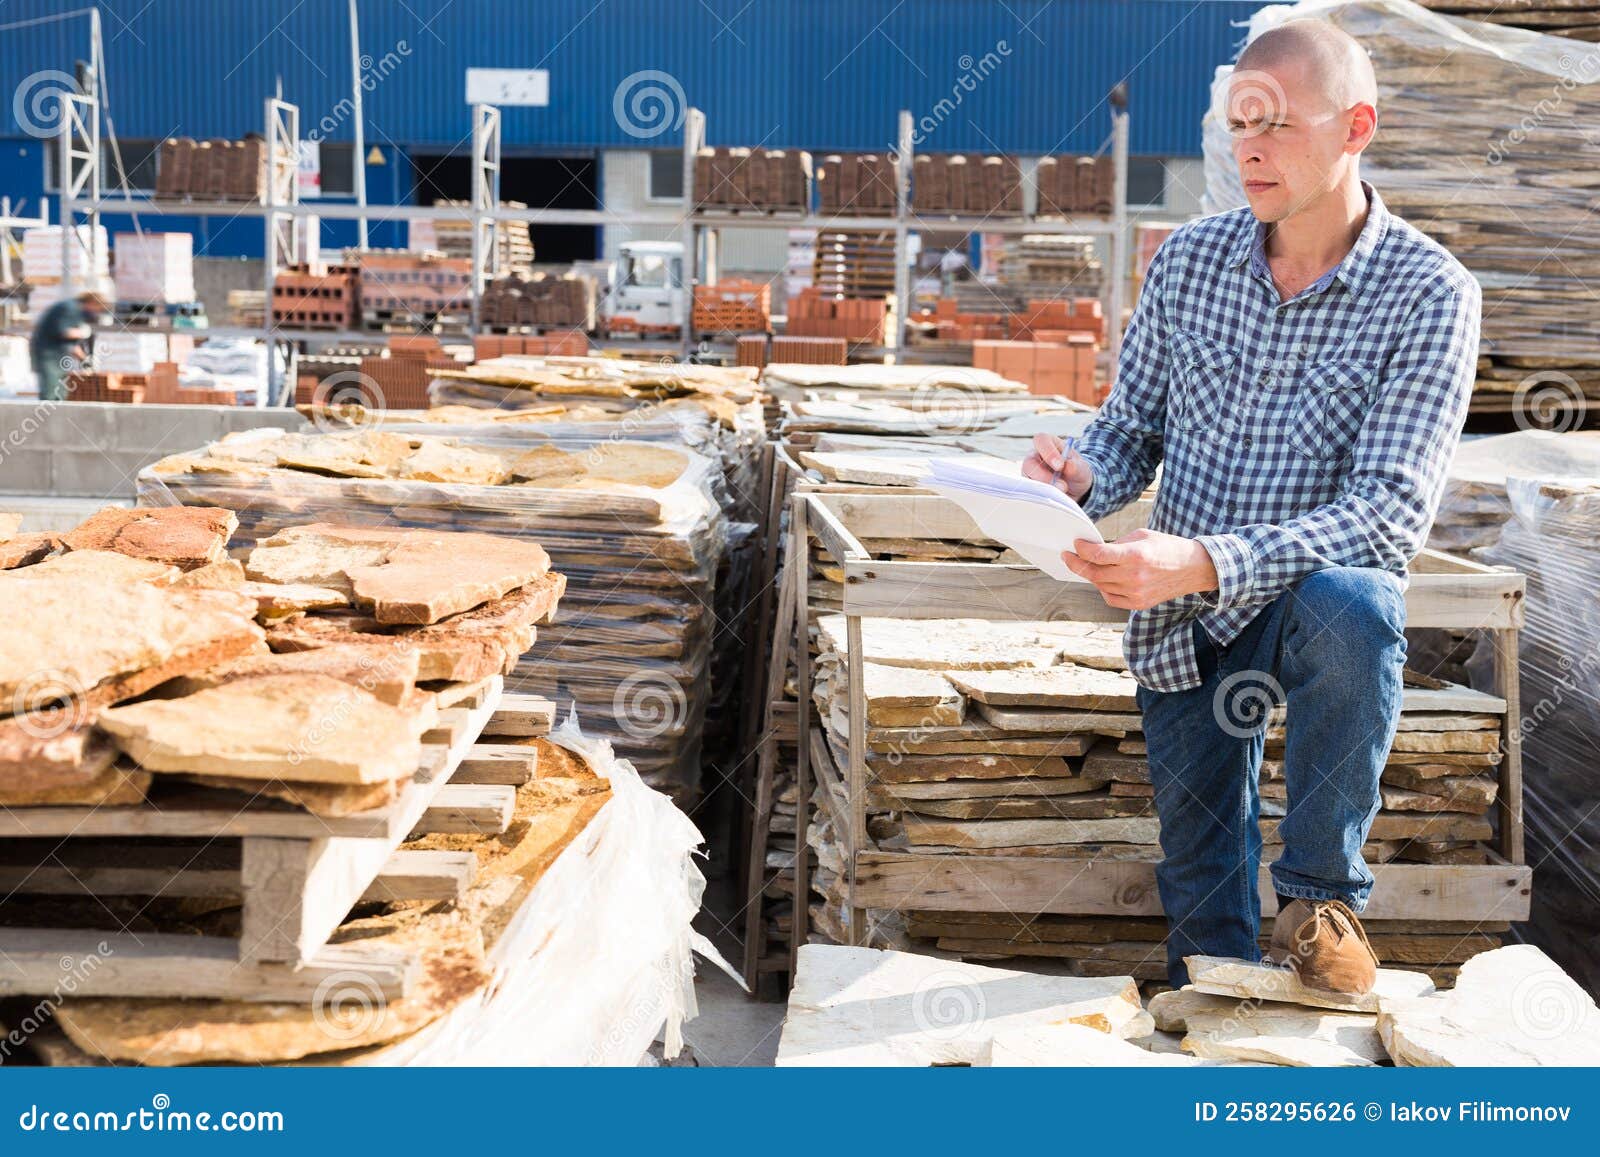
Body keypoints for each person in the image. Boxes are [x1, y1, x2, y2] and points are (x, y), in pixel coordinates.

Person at [1022, 19, 1480, 994]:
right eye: (1238, 124)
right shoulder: (1190, 262)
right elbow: (1128, 430)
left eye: (1274, 123)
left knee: (1360, 607)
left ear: (1355, 125)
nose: (1250, 149)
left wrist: (1209, 560)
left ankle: (1318, 898)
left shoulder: (1428, 291)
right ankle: (1219, 1028)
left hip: (1298, 599)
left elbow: (1387, 513)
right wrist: (1078, 474)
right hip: (1180, 622)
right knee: (1202, 917)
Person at [29, 290, 107, 401]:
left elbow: (72, 346)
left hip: (59, 357)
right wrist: (82, 332)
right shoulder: (69, 308)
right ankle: (48, 417)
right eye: (97, 308)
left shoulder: (77, 312)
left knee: (61, 392)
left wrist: (85, 360)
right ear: (92, 303)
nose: (96, 312)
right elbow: (63, 332)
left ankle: (59, 416)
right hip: (48, 356)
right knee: (50, 390)